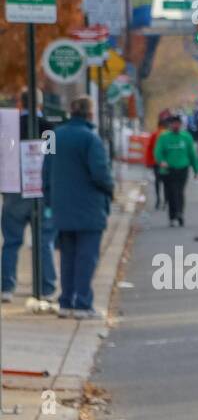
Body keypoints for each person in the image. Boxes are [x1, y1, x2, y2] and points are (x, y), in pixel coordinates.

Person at [41, 97, 115, 320]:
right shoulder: (90, 139)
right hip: (88, 207)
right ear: (90, 113)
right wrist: (110, 190)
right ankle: (83, 303)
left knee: (67, 256)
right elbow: (100, 173)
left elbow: (46, 171)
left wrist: (49, 199)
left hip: (61, 206)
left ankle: (66, 301)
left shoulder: (54, 135)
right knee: (86, 257)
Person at [2, 91, 57, 307]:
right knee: (44, 242)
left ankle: (6, 287)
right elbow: (53, 158)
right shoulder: (48, 127)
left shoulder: (9, 128)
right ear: (41, 103)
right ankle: (47, 288)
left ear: (19, 102)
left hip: (14, 189)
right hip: (41, 189)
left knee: (11, 241)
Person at [154, 113, 198, 227]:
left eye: (178, 124)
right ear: (170, 125)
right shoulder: (164, 137)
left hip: (182, 168)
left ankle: (179, 213)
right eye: (174, 123)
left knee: (179, 192)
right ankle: (172, 216)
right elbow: (158, 151)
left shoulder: (186, 137)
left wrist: (196, 170)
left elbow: (192, 154)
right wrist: (162, 161)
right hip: (169, 169)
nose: (176, 125)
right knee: (171, 193)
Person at [145, 113, 167, 209]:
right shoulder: (167, 134)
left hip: (156, 162)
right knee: (166, 182)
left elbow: (149, 149)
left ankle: (158, 200)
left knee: (157, 182)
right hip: (166, 163)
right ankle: (166, 200)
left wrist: (148, 162)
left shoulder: (154, 134)